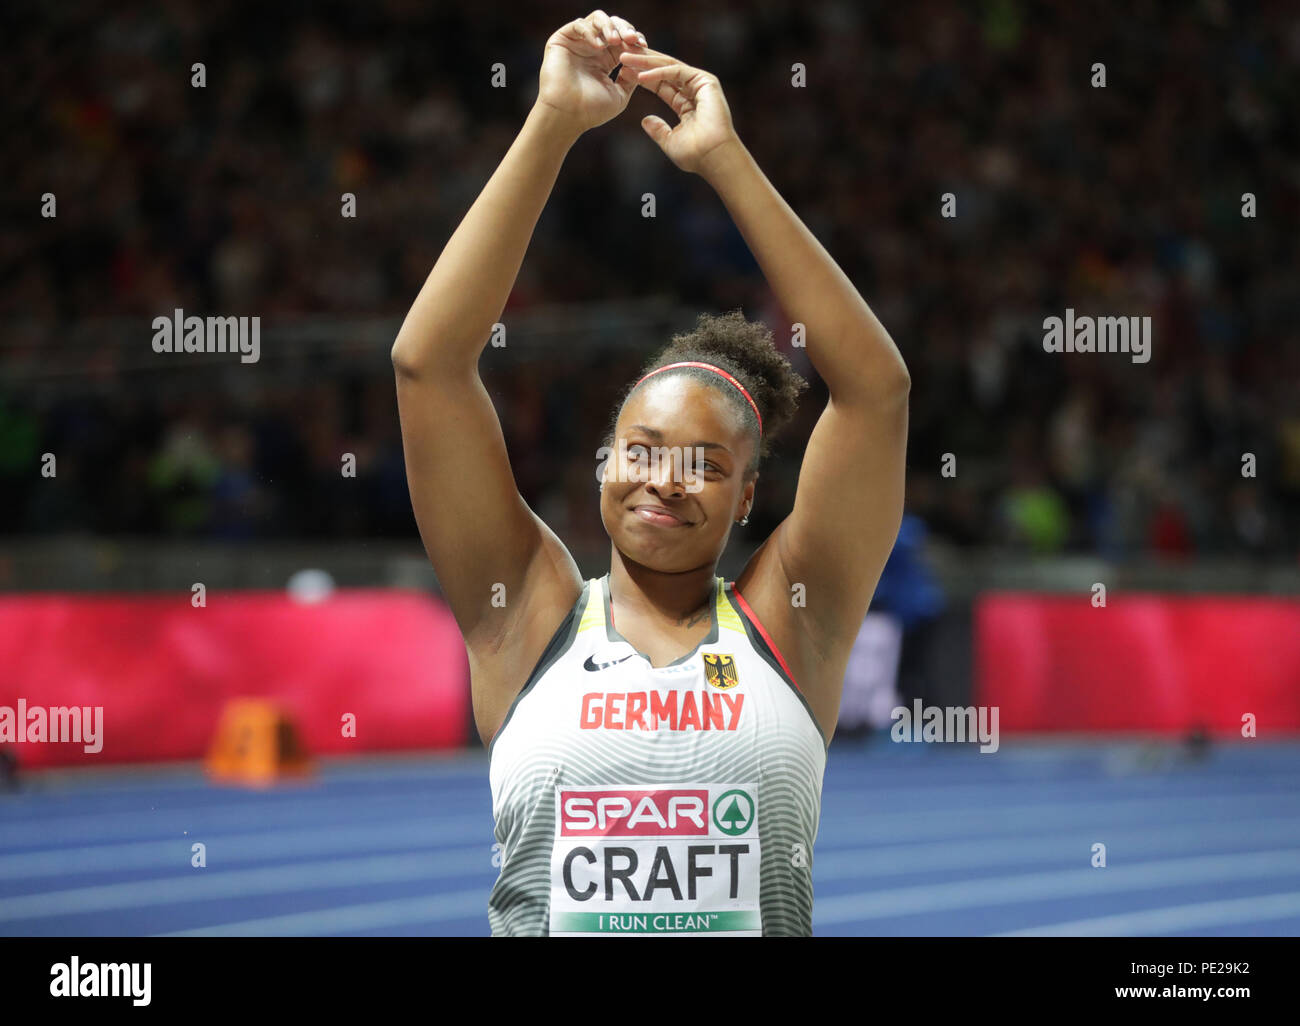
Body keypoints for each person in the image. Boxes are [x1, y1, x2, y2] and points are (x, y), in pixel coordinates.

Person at [392, 11, 909, 936]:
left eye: (703, 465)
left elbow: (875, 390)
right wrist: (552, 123)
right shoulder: (526, 614)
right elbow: (429, 364)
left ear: (750, 495)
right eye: (639, 449)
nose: (662, 478)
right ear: (603, 463)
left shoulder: (797, 621)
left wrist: (725, 162)